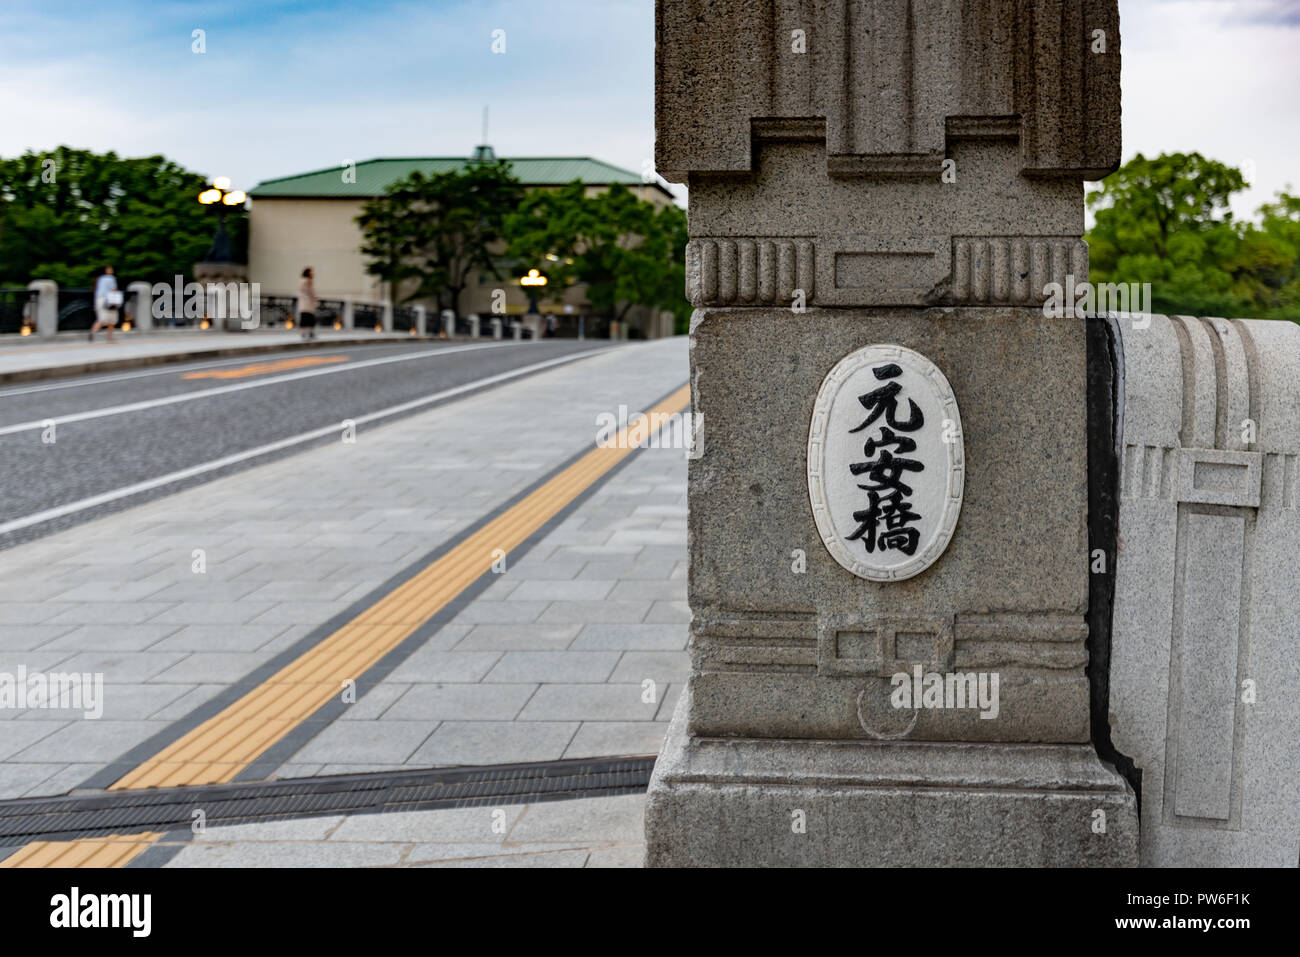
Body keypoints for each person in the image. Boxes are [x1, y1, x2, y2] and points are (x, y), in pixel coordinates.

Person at [90, 265, 120, 342]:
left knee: (101, 318)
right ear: (106, 271)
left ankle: (93, 331)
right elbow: (114, 289)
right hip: (109, 300)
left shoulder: (99, 278)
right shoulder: (111, 278)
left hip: (98, 299)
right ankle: (110, 337)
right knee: (112, 319)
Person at [297, 267, 318, 339]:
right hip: (306, 303)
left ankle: (309, 332)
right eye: (311, 272)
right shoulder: (305, 281)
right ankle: (304, 333)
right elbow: (306, 291)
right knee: (306, 318)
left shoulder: (308, 281)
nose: (312, 273)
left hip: (308, 303)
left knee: (309, 318)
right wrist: (312, 298)